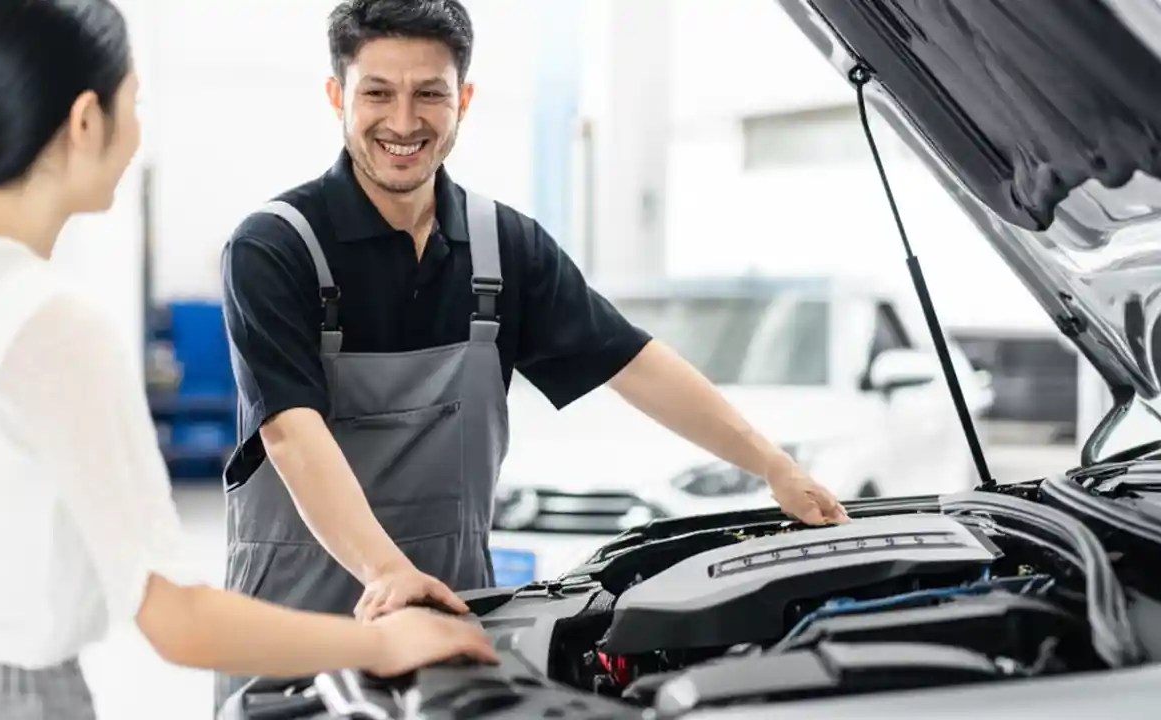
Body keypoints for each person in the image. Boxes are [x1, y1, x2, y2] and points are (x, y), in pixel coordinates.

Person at [0, 1, 499, 719]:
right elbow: (176, 620)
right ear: (87, 121)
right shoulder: (50, 322)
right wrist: (389, 645)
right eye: (133, 102)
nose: (138, 130)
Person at [218, 0, 850, 700]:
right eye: (377, 93)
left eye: (429, 93)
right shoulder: (274, 249)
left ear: (464, 99)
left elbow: (632, 362)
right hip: (295, 637)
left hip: (451, 624)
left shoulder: (503, 248)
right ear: (338, 96)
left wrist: (772, 464)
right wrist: (386, 571)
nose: (403, 122)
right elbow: (290, 432)